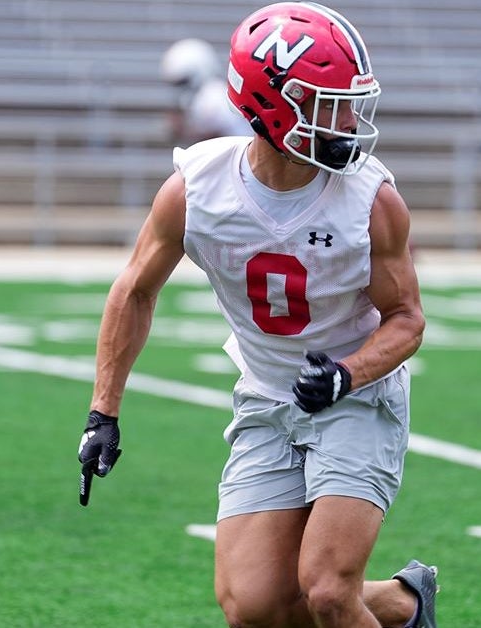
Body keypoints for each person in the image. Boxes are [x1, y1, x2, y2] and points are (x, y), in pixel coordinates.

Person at [81, 3, 438, 626]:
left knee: (326, 590)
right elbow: (135, 290)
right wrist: (102, 411)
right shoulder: (197, 188)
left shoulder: (372, 200)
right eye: (329, 104)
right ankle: (403, 604)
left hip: (356, 397)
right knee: (255, 607)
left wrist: (346, 374)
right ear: (275, 106)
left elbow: (407, 319)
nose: (349, 121)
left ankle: (371, 603)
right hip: (267, 398)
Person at [160, 37, 254, 146]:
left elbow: (222, 136)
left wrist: (182, 130)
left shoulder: (213, 95)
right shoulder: (213, 93)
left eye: (182, 82)